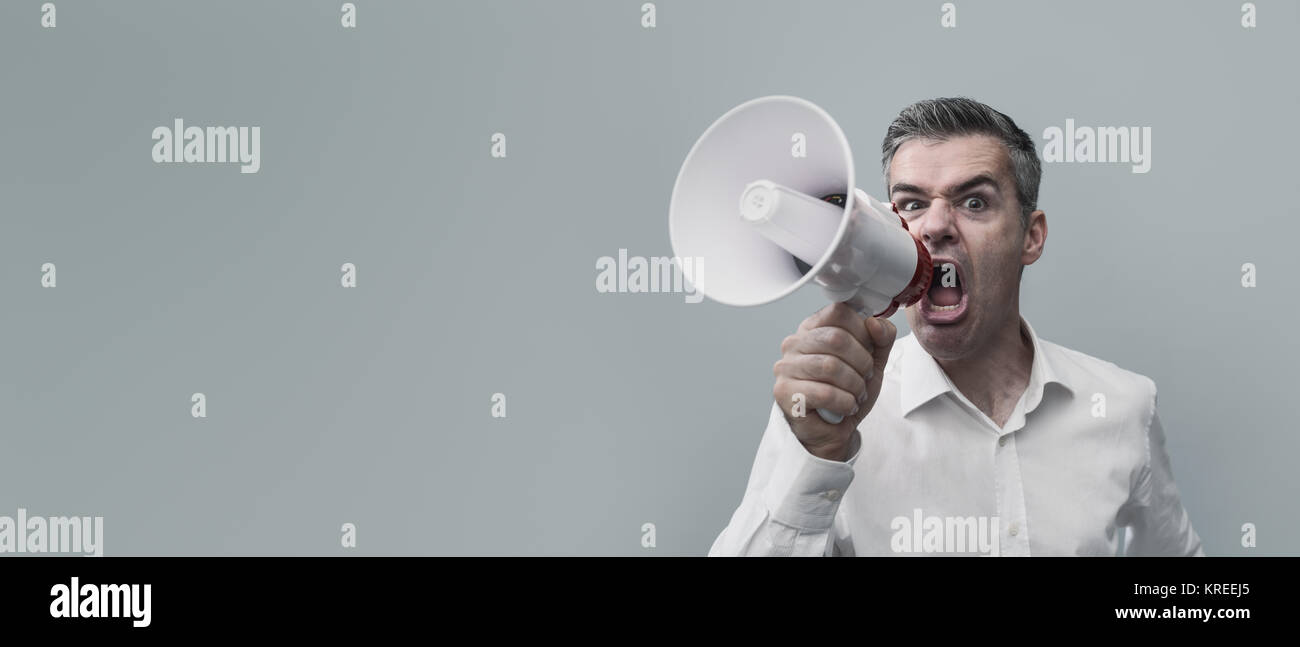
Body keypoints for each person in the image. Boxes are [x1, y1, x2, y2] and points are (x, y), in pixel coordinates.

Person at [708, 97, 1203, 556]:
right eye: (911, 204)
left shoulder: (1122, 406)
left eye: (974, 203)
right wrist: (817, 455)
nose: (935, 225)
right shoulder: (827, 413)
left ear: (1031, 237)